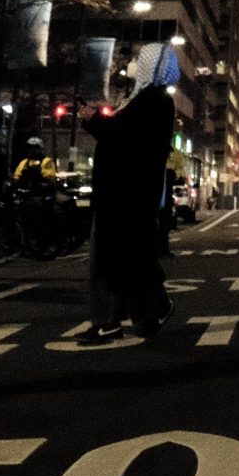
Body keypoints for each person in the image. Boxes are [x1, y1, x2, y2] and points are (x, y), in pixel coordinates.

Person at [82, 45, 179, 343]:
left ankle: (114, 319)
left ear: (152, 65)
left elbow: (124, 137)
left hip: (126, 195)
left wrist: (93, 121)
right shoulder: (146, 100)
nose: (135, 64)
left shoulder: (153, 101)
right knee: (127, 256)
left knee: (112, 258)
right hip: (125, 194)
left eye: (140, 60)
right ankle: (145, 312)